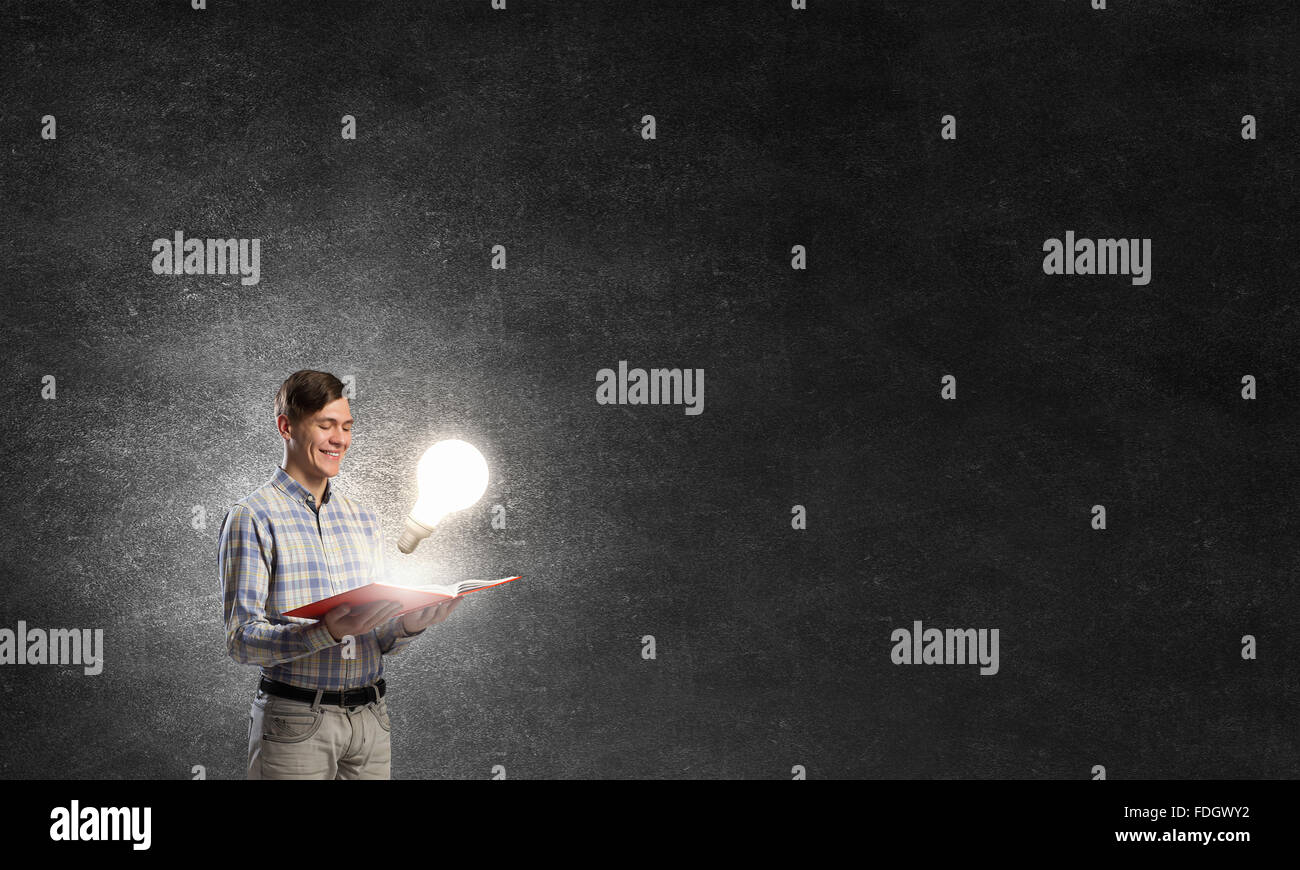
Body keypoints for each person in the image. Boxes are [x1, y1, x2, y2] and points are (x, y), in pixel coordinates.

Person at [218, 370, 462, 779]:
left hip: (371, 721)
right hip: (296, 722)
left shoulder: (363, 519)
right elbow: (241, 642)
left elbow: (376, 639)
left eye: (347, 427)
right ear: (286, 427)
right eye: (326, 425)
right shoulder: (252, 517)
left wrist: (409, 625)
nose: (340, 439)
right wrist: (325, 631)